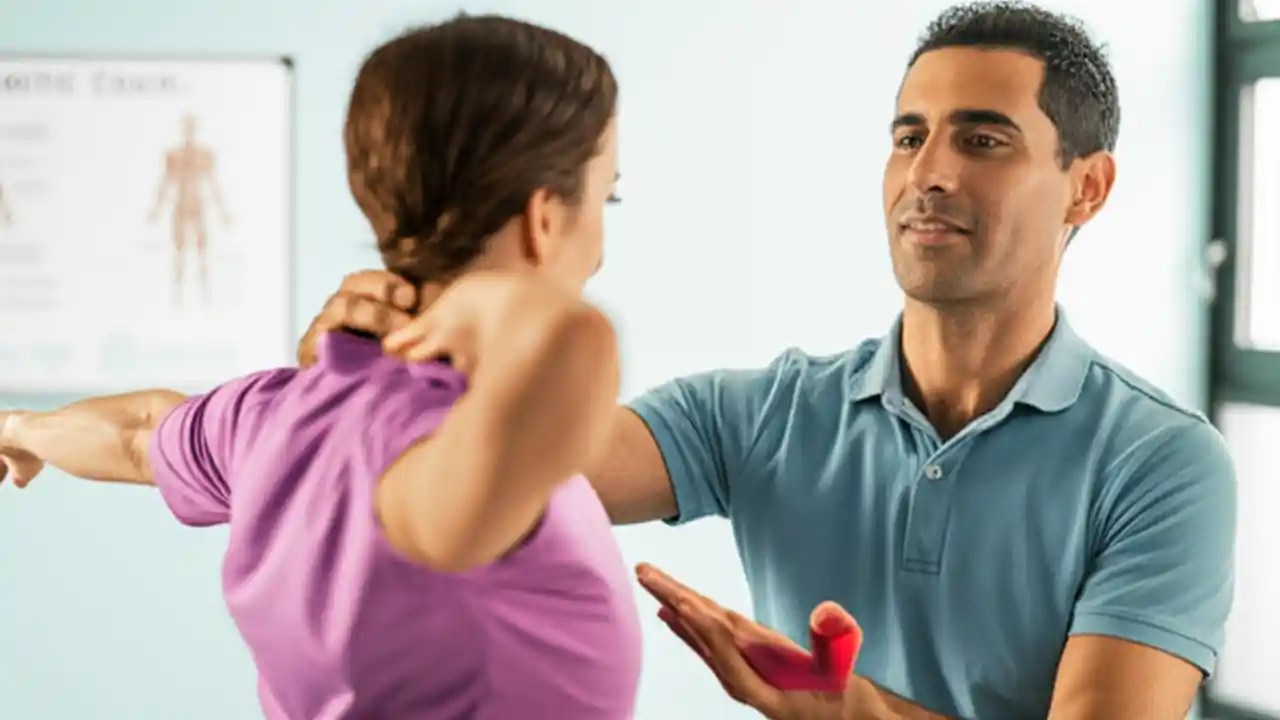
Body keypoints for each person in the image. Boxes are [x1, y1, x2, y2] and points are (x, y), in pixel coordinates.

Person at [304, 3, 1237, 719]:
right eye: (908, 136)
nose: (928, 173)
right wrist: (374, 373)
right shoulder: (759, 415)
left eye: (983, 139)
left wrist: (851, 709)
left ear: (1088, 186)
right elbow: (499, 472)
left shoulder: (1162, 464)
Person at [0, 15, 641, 719]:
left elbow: (137, 432)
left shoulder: (283, 411)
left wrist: (22, 428)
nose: (601, 248)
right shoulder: (444, 449)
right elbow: (581, 350)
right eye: (603, 196)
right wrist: (487, 298)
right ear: (542, 220)